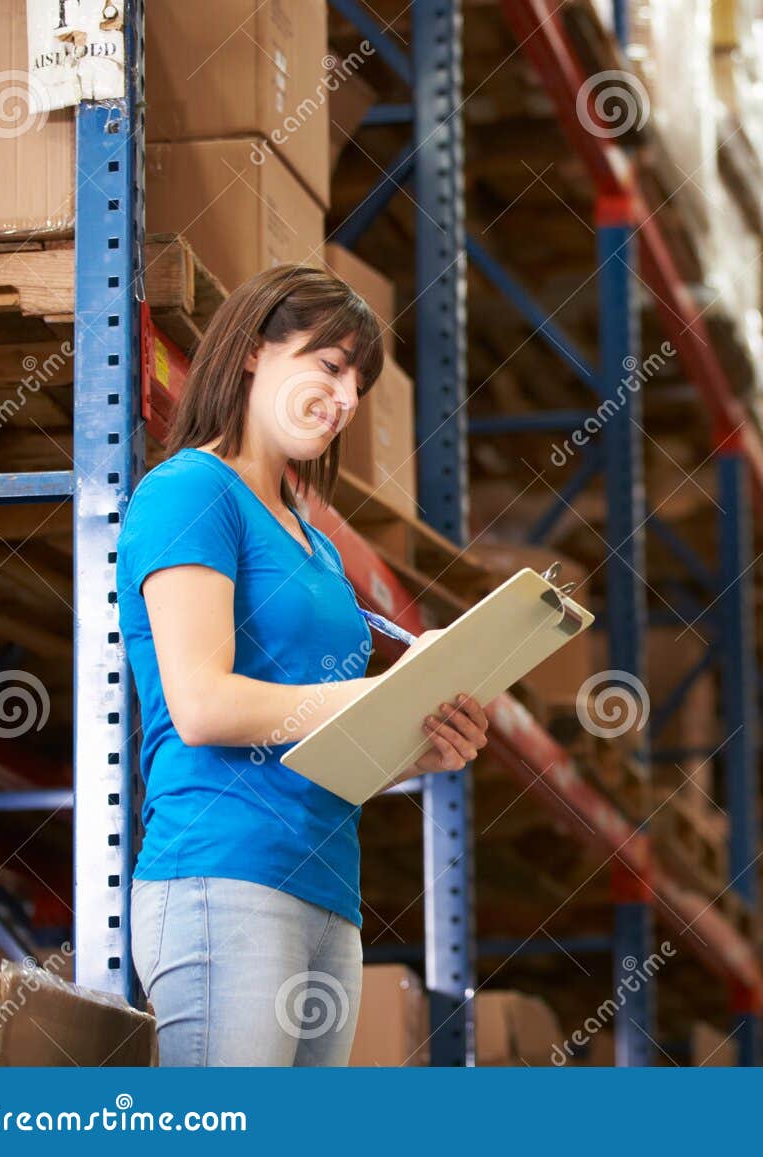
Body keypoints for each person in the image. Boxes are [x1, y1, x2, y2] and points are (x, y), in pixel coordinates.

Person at [117, 264, 489, 1066]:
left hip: (328, 895)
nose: (348, 397)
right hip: (224, 876)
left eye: (360, 381)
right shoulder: (190, 492)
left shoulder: (317, 549)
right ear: (253, 351)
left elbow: (318, 739)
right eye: (329, 365)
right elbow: (203, 705)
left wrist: (414, 743)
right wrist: (382, 689)